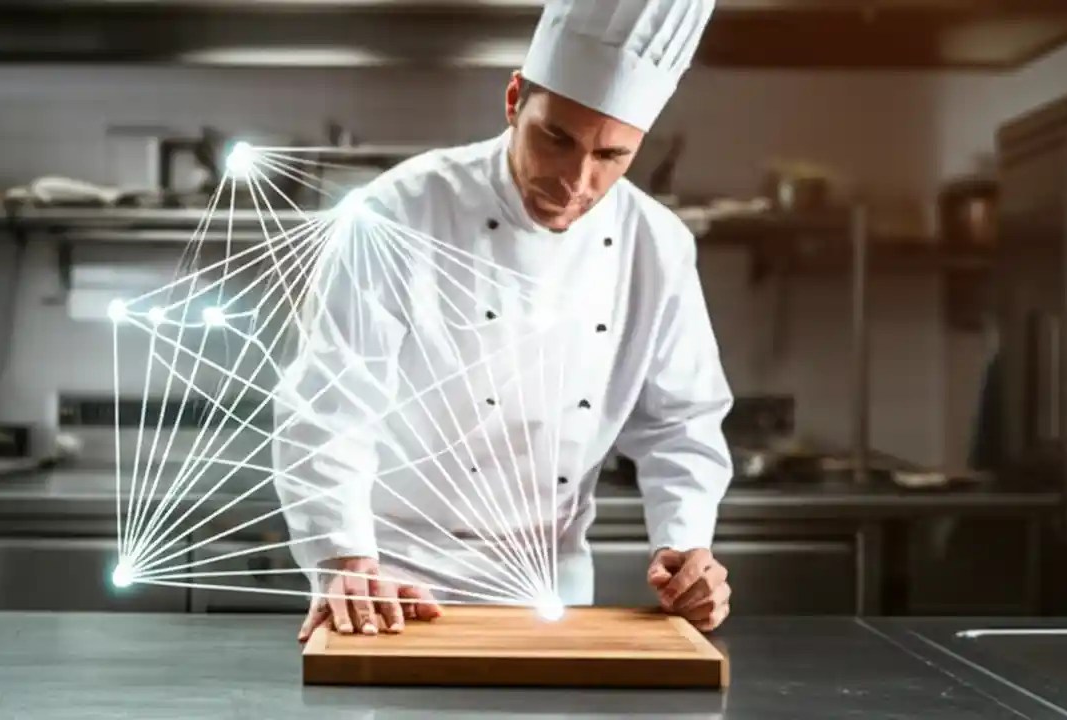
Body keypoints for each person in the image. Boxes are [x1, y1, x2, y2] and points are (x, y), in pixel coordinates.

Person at [277, 0, 733, 642]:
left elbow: (681, 422)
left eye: (611, 155)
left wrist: (686, 546)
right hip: (395, 587)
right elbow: (329, 405)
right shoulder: (400, 211)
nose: (577, 180)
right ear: (515, 99)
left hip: (553, 591)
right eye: (558, 139)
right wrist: (343, 558)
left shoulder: (656, 244)